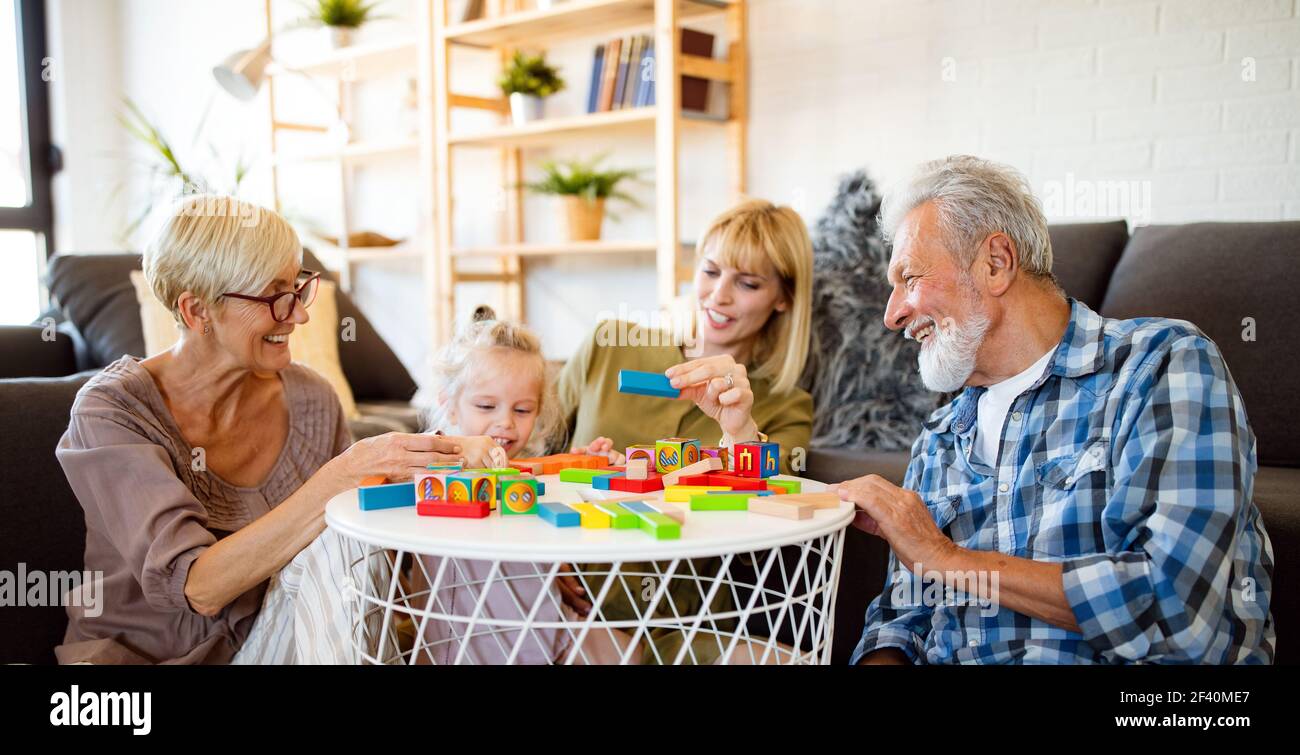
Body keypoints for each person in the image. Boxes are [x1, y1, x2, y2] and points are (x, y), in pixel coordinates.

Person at [840, 155, 1275, 664]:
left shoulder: (1161, 365)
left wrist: (947, 558)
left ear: (996, 263)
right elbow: (899, 621)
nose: (893, 315)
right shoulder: (939, 437)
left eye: (909, 277)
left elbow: (1174, 606)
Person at [55, 195, 497, 664]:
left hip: (270, 647)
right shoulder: (113, 412)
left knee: (349, 537)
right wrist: (344, 476)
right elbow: (199, 588)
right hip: (150, 664)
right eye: (274, 297)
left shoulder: (311, 398)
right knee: (340, 525)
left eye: (297, 289)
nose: (299, 315)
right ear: (196, 311)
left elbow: (360, 557)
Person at [555, 198, 815, 664]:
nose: (719, 296)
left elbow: (774, 522)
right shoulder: (608, 345)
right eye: (711, 271)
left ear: (783, 298)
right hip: (566, 607)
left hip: (684, 623)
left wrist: (739, 431)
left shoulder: (784, 405)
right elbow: (528, 449)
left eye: (748, 283)